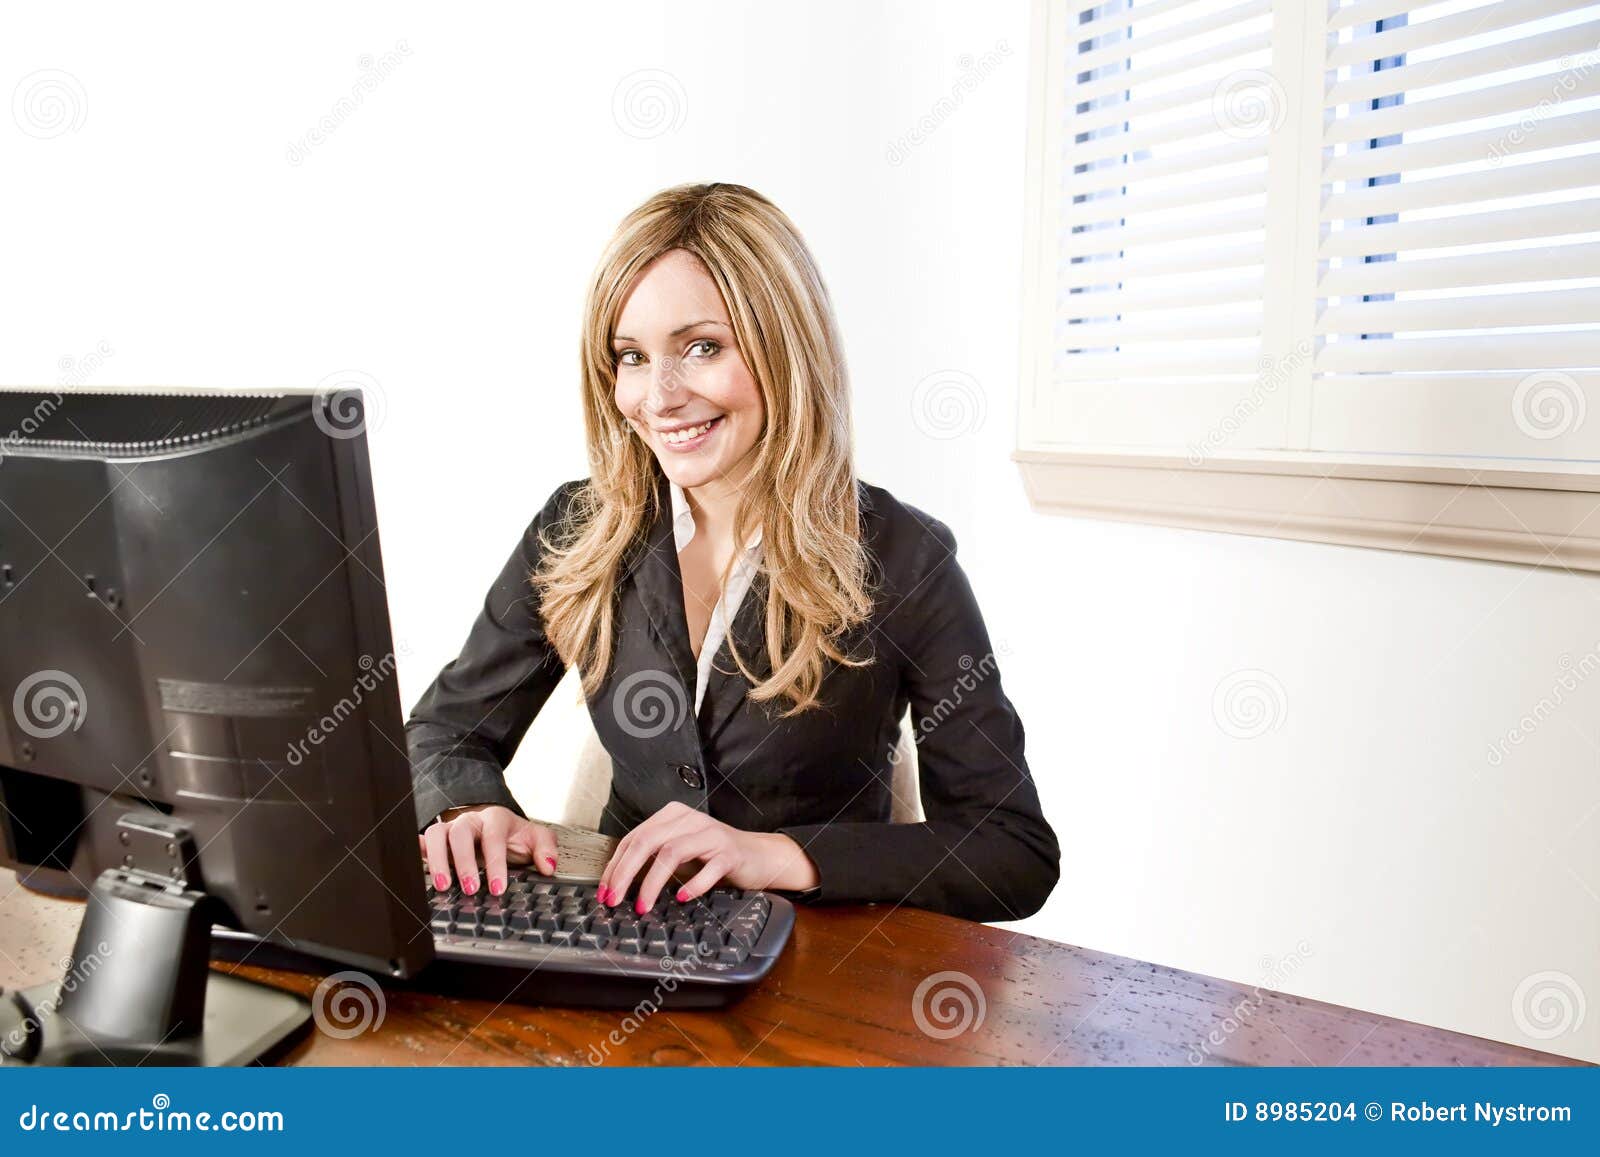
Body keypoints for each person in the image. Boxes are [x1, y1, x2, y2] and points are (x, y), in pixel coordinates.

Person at [410, 182, 1058, 922]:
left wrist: (779, 854)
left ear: (785, 348)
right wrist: (466, 807)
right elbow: (443, 730)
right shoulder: (576, 526)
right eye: (631, 355)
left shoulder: (907, 557)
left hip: (814, 957)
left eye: (702, 347)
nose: (660, 396)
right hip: (622, 937)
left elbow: (1010, 849)